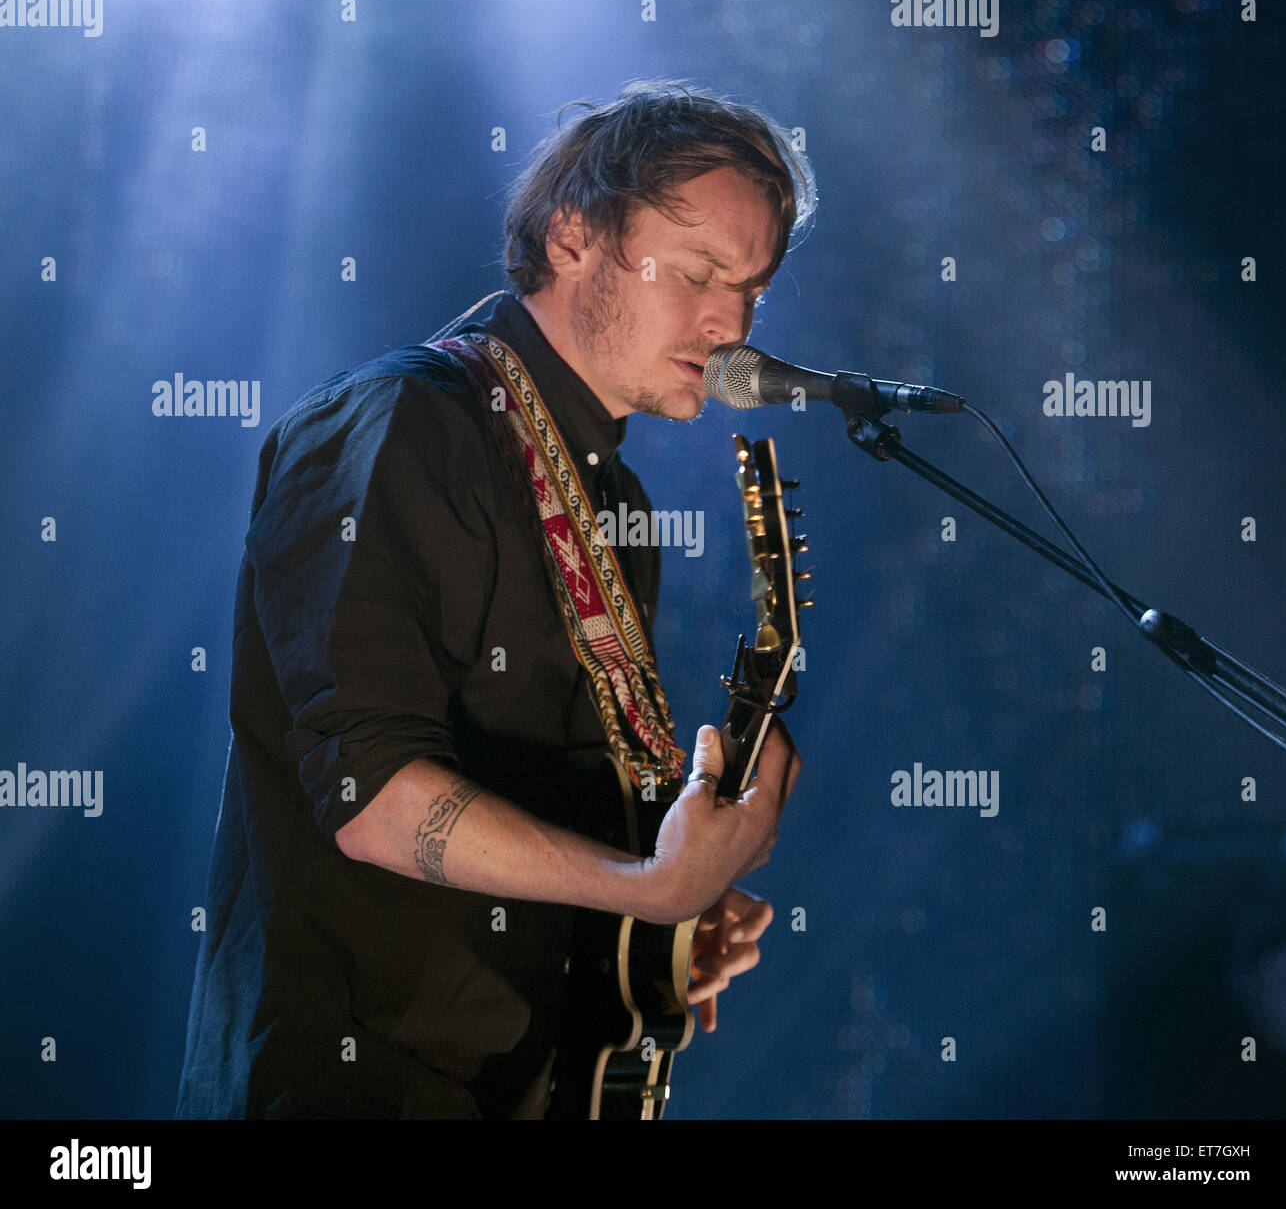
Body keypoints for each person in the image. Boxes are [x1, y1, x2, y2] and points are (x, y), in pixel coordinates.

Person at [175, 79, 816, 1119]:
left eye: (752, 288)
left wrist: (658, 935)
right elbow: (371, 795)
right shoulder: (396, 423)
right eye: (698, 272)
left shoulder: (617, 499)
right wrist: (643, 889)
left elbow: (558, 815)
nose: (731, 322)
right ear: (572, 238)